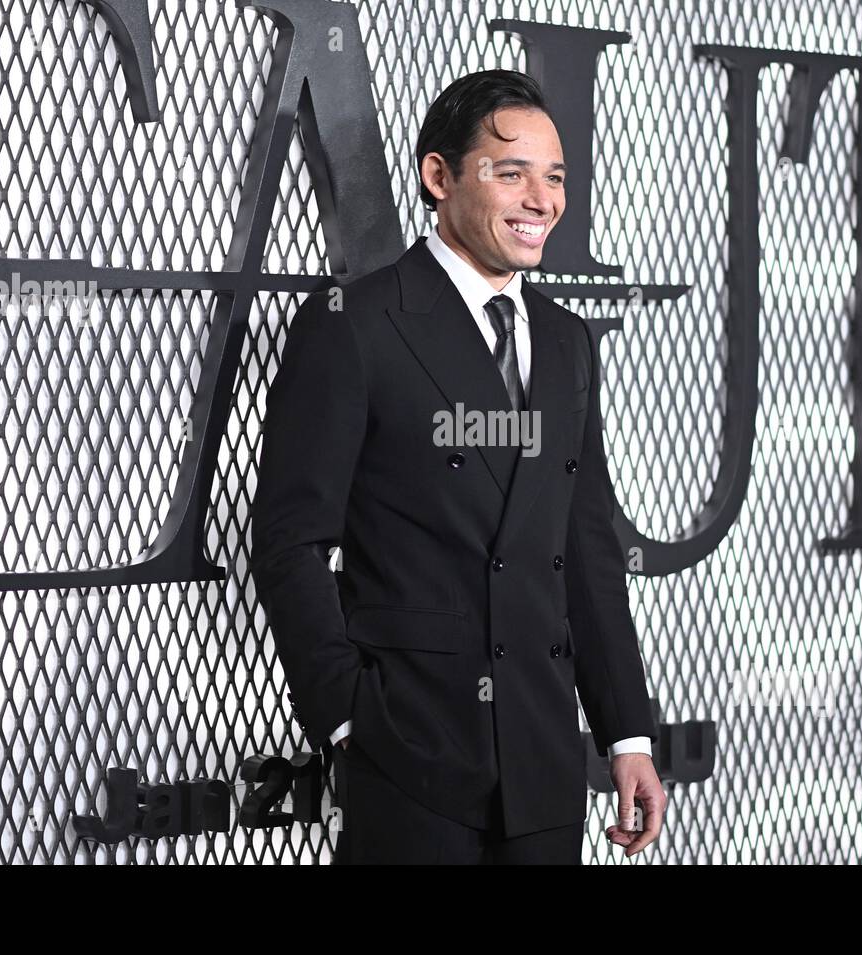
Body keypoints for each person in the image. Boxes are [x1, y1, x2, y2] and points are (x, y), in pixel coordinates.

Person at [251, 68, 665, 864]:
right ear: (438, 176)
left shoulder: (568, 340)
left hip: (544, 761)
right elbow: (289, 541)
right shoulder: (356, 324)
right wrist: (348, 719)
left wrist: (625, 731)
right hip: (411, 757)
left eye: (554, 177)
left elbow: (585, 548)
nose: (540, 199)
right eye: (510, 172)